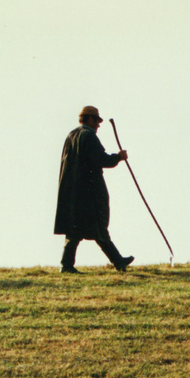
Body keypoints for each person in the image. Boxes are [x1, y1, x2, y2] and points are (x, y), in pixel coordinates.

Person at [55, 105, 134, 273]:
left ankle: (67, 265)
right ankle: (118, 261)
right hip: (89, 191)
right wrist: (118, 157)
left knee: (75, 229)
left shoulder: (72, 135)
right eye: (97, 121)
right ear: (90, 119)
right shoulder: (88, 136)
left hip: (72, 192)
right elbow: (101, 159)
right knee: (98, 226)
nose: (98, 125)